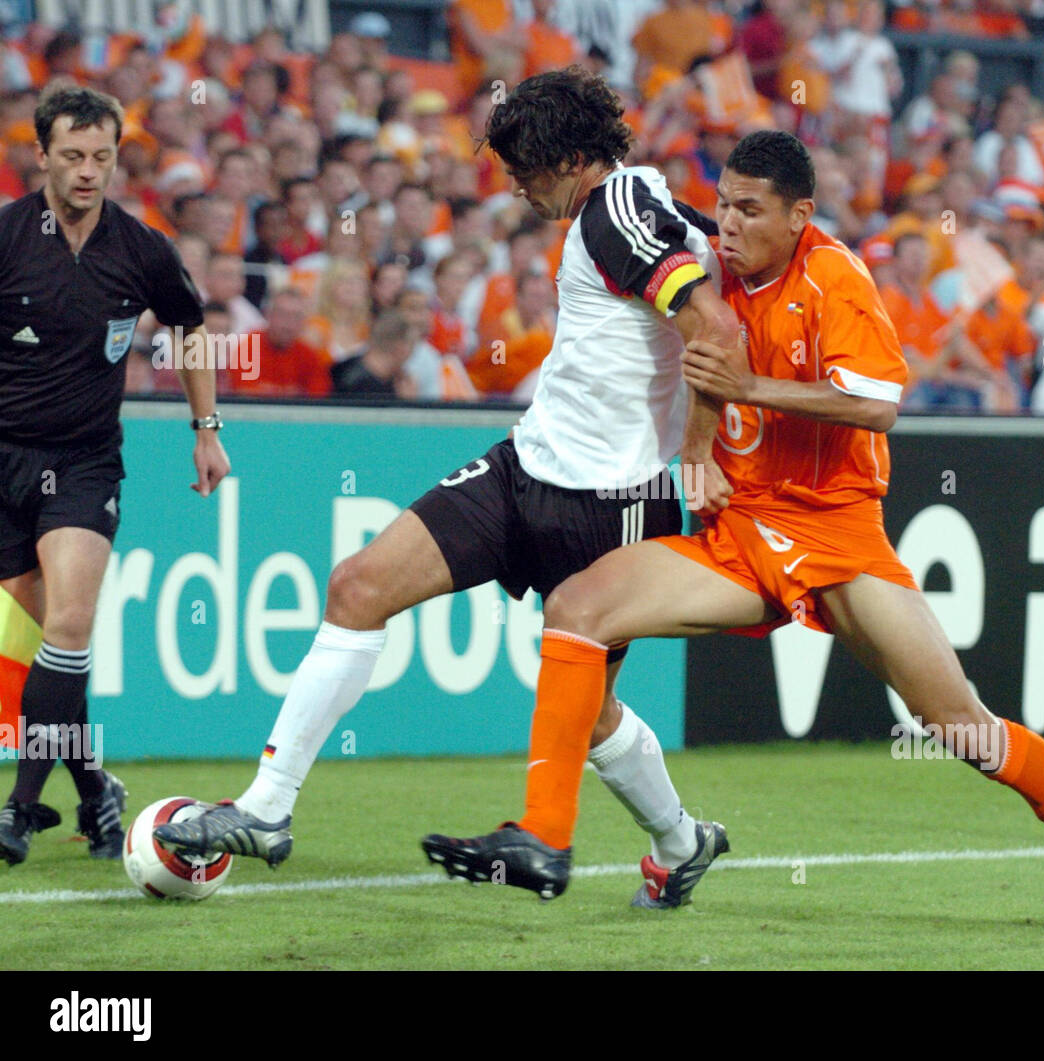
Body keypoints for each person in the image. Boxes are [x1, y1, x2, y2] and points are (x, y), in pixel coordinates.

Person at [422, 131, 1044, 940]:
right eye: (724, 202)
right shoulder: (705, 262)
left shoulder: (835, 276)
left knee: (964, 727)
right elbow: (681, 312)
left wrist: (751, 390)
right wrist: (697, 444)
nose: (727, 223)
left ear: (800, 214)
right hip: (740, 532)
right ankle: (546, 838)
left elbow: (876, 405)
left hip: (839, 534)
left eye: (750, 209)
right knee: (576, 606)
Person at [156, 67, 738, 909]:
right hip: (526, 467)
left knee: (594, 713)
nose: (515, 184)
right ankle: (266, 808)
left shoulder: (615, 213)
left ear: (570, 157)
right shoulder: (645, 206)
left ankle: (682, 839)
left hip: (614, 503)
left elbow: (710, 326)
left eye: (523, 168)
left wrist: (697, 453)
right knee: (359, 585)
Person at [0, 85, 229, 865]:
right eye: (73, 156)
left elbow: (191, 327)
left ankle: (20, 810)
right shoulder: (4, 237)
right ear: (42, 157)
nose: (89, 171)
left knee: (67, 627)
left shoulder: (140, 248)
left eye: (101, 157)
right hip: (4, 463)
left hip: (87, 460)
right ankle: (96, 790)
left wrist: (206, 429)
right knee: (51, 655)